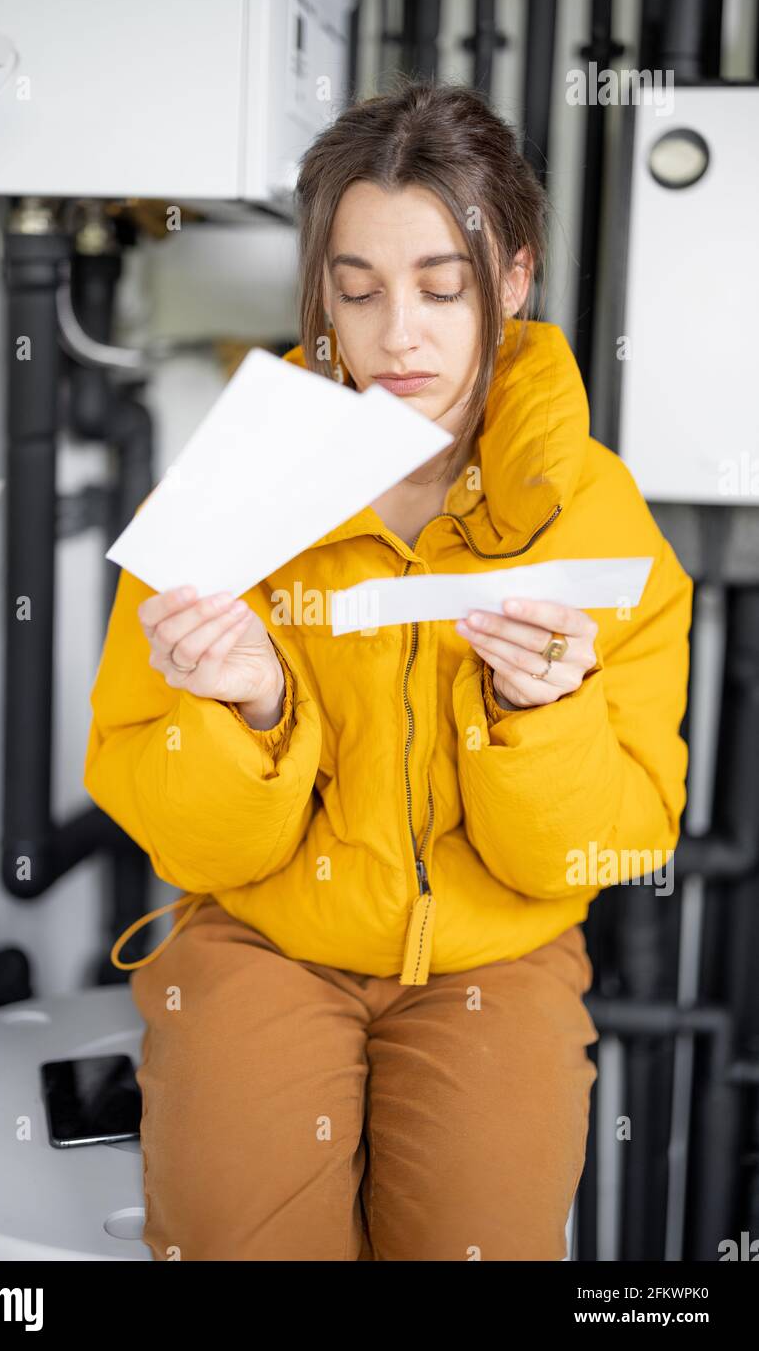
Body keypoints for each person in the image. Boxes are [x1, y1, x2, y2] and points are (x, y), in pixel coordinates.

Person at [83, 79, 692, 1261]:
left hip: (495, 956)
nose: (396, 334)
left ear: (512, 281)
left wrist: (543, 712)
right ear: (322, 293)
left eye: (442, 288)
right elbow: (189, 846)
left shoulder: (601, 516)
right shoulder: (228, 496)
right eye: (356, 292)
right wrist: (247, 706)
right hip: (263, 938)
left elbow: (612, 844)